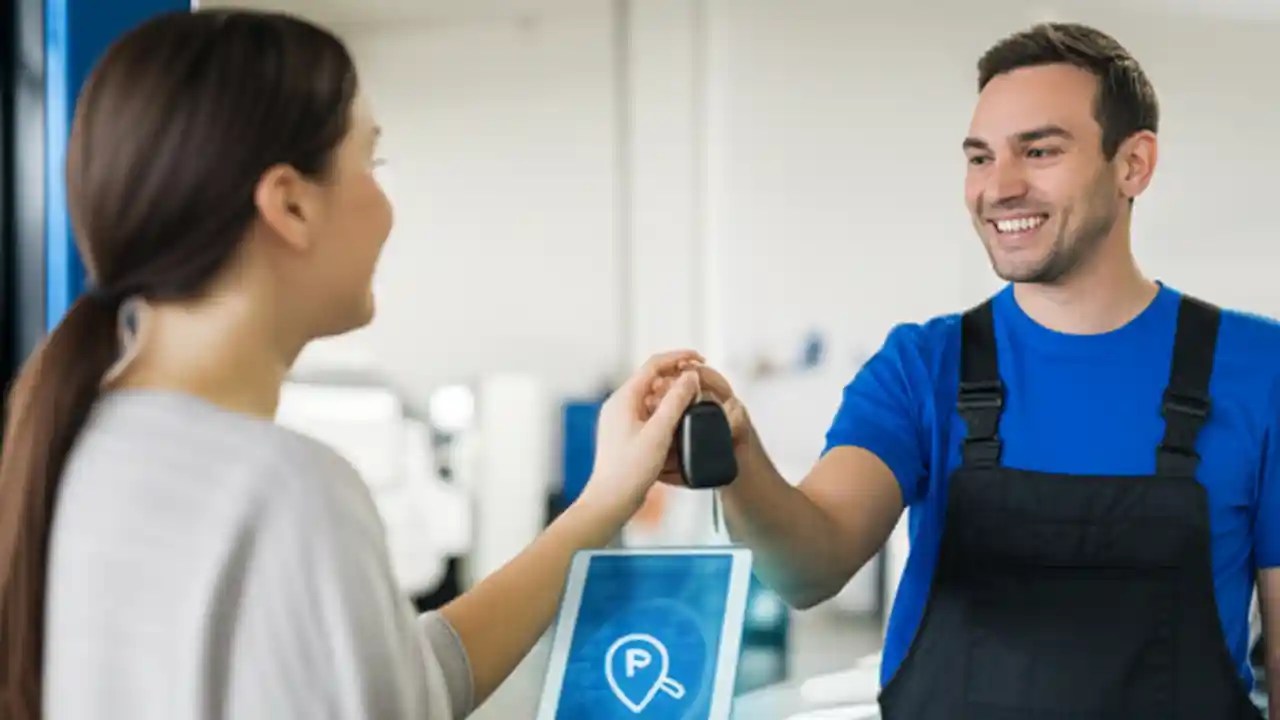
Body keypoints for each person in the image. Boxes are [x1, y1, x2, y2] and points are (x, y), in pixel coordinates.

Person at [0, 9, 704, 720]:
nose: (385, 205)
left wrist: (598, 504)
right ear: (290, 204)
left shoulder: (76, 449)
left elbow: (410, 683)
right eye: (370, 163)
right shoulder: (288, 493)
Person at [649, 21, 1277, 719]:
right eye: (980, 158)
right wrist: (741, 458)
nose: (999, 187)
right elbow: (808, 566)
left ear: (1133, 164)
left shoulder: (1260, 370)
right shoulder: (923, 367)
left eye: (1039, 151)